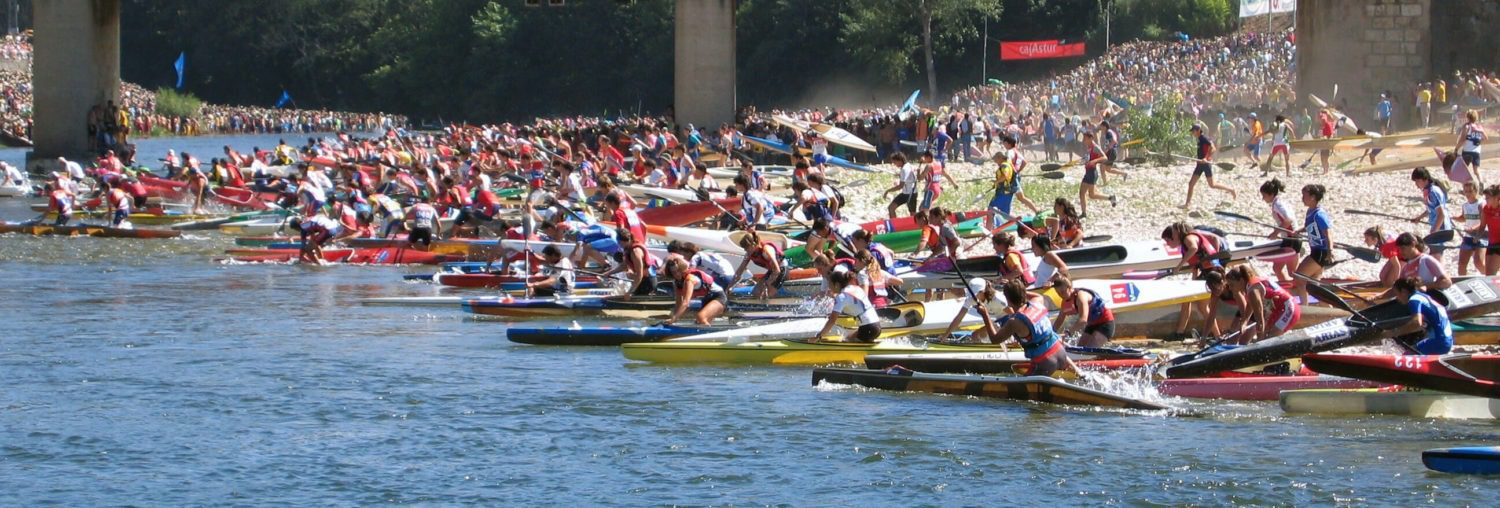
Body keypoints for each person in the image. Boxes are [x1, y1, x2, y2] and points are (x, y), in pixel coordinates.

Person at [975, 278, 1079, 377]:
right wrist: (1019, 289)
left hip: (1045, 361)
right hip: (1061, 353)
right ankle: (1081, 374)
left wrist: (985, 315)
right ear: (1024, 293)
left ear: (1008, 300)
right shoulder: (1037, 302)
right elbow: (1035, 295)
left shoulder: (1015, 321)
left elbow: (995, 339)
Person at [1210, 265, 1300, 344]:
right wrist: (1244, 323)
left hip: (1289, 309)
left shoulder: (1253, 291)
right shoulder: (1250, 285)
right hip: (1279, 309)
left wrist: (1260, 342)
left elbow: (1260, 321)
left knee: (1269, 340)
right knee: (1267, 337)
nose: (1230, 288)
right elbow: (1250, 305)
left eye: (1232, 285)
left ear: (1241, 281)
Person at [1376, 232, 1453, 304]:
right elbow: (1397, 288)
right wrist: (1377, 297)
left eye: (1403, 248)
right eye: (1399, 249)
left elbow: (1447, 282)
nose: (1401, 252)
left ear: (1413, 244)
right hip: (1413, 303)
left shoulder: (1427, 260)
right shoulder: (1406, 266)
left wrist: (1426, 286)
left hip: (1427, 302)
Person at [812, 269, 882, 343]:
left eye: (830, 284)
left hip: (868, 328)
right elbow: (852, 301)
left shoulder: (841, 297)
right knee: (847, 338)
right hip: (876, 325)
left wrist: (819, 336)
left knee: (846, 342)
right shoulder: (856, 288)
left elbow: (832, 321)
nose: (829, 288)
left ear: (836, 285)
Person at [1292, 184, 1333, 305]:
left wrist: (1330, 251)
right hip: (1315, 251)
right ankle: (1327, 308)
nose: (1302, 198)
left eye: (1304, 196)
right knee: (1314, 285)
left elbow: (1328, 233)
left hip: (1320, 253)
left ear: (1313, 197)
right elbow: (1310, 227)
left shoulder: (1319, 215)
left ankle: (1305, 307)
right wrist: (1299, 231)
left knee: (1299, 278)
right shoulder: (1311, 212)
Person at [1391, 276, 1454, 355]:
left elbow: (1417, 324)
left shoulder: (1414, 300)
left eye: (1397, 294)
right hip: (1447, 341)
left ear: (1403, 291)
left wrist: (1393, 332)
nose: (1397, 298)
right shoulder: (1424, 296)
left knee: (1405, 356)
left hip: (1438, 343)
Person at [1051, 275, 1115, 348]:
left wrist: (1068, 333)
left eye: (1063, 292)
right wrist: (1051, 333)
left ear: (1069, 288)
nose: (1061, 295)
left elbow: (1083, 320)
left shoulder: (1081, 296)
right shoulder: (1064, 302)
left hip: (1105, 323)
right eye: (1058, 293)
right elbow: (1060, 319)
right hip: (1091, 325)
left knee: (1091, 350)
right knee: (1080, 348)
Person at [1182, 124, 1236, 209]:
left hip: (1206, 164)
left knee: (1212, 185)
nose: (1193, 133)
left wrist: (1205, 158)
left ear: (1198, 130)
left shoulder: (1204, 138)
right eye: (1192, 131)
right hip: (1200, 165)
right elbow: (1203, 151)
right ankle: (1187, 204)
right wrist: (1199, 159)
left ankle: (1231, 190)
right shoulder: (1199, 139)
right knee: (1191, 184)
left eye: (1194, 131)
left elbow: (1213, 148)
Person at [662, 257, 727, 326]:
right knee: (700, 322)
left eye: (678, 270)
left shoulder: (690, 279)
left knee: (701, 317)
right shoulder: (677, 283)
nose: (677, 274)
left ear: (682, 268)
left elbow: (686, 302)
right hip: (706, 299)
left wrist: (674, 318)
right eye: (673, 272)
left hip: (719, 297)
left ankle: (713, 334)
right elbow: (679, 303)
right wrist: (673, 318)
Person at [731, 229, 786, 301]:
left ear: (753, 245)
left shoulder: (767, 250)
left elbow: (777, 270)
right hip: (772, 271)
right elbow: (740, 270)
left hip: (781, 270)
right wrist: (730, 286)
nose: (745, 250)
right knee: (755, 292)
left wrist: (766, 286)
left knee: (765, 295)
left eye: (746, 248)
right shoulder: (749, 254)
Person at [1261, 179, 1299, 282]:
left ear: (1271, 194)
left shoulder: (1278, 204)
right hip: (1287, 239)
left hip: (1292, 239)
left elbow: (1289, 220)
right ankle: (1287, 287)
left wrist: (1275, 233)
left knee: (1292, 272)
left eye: (1264, 195)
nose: (1263, 198)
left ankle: (1303, 288)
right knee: (1277, 268)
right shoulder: (1278, 202)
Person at [1078, 131, 1116, 218]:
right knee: (1086, 194)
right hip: (1088, 173)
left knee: (1089, 194)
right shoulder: (1089, 147)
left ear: (1091, 138)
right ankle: (1084, 213)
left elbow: (1104, 157)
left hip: (1092, 173)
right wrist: (1083, 160)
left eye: (1085, 138)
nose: (1084, 140)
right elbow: (1088, 158)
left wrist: (1094, 161)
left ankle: (1084, 213)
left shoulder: (1095, 147)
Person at [1457, 182, 1486, 276]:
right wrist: (1452, 217)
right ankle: (1461, 283)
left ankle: (1491, 278)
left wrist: (1473, 228)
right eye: (1466, 191)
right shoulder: (1465, 205)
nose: (1468, 194)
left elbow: (1484, 222)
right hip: (1468, 236)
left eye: (1470, 191)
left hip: (1481, 236)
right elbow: (1464, 218)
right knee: (1461, 264)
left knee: (1478, 263)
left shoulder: (1481, 204)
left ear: (1476, 191)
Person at [882, 153, 918, 219]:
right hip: (910, 192)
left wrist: (888, 191)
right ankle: (895, 225)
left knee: (912, 214)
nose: (895, 164)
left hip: (909, 194)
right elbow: (909, 176)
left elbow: (900, 186)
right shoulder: (909, 165)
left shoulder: (904, 169)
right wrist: (900, 174)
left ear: (900, 160)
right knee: (891, 208)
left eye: (895, 162)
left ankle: (916, 226)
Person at [1455, 110, 1487, 185]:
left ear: (1468, 117)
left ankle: (1466, 185)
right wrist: (1478, 140)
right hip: (1477, 152)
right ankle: (1480, 181)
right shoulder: (1479, 127)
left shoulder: (1467, 126)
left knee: (1463, 169)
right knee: (1476, 170)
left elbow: (1462, 139)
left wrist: (1456, 148)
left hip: (1467, 151)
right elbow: (1486, 138)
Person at [1479, 184, 1500, 275]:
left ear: (1496, 198)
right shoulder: (1486, 209)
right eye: (1485, 197)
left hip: (1499, 245)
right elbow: (1482, 226)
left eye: (1488, 197)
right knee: (1488, 274)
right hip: (1491, 243)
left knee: (1491, 273)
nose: (1485, 200)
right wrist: (1477, 237)